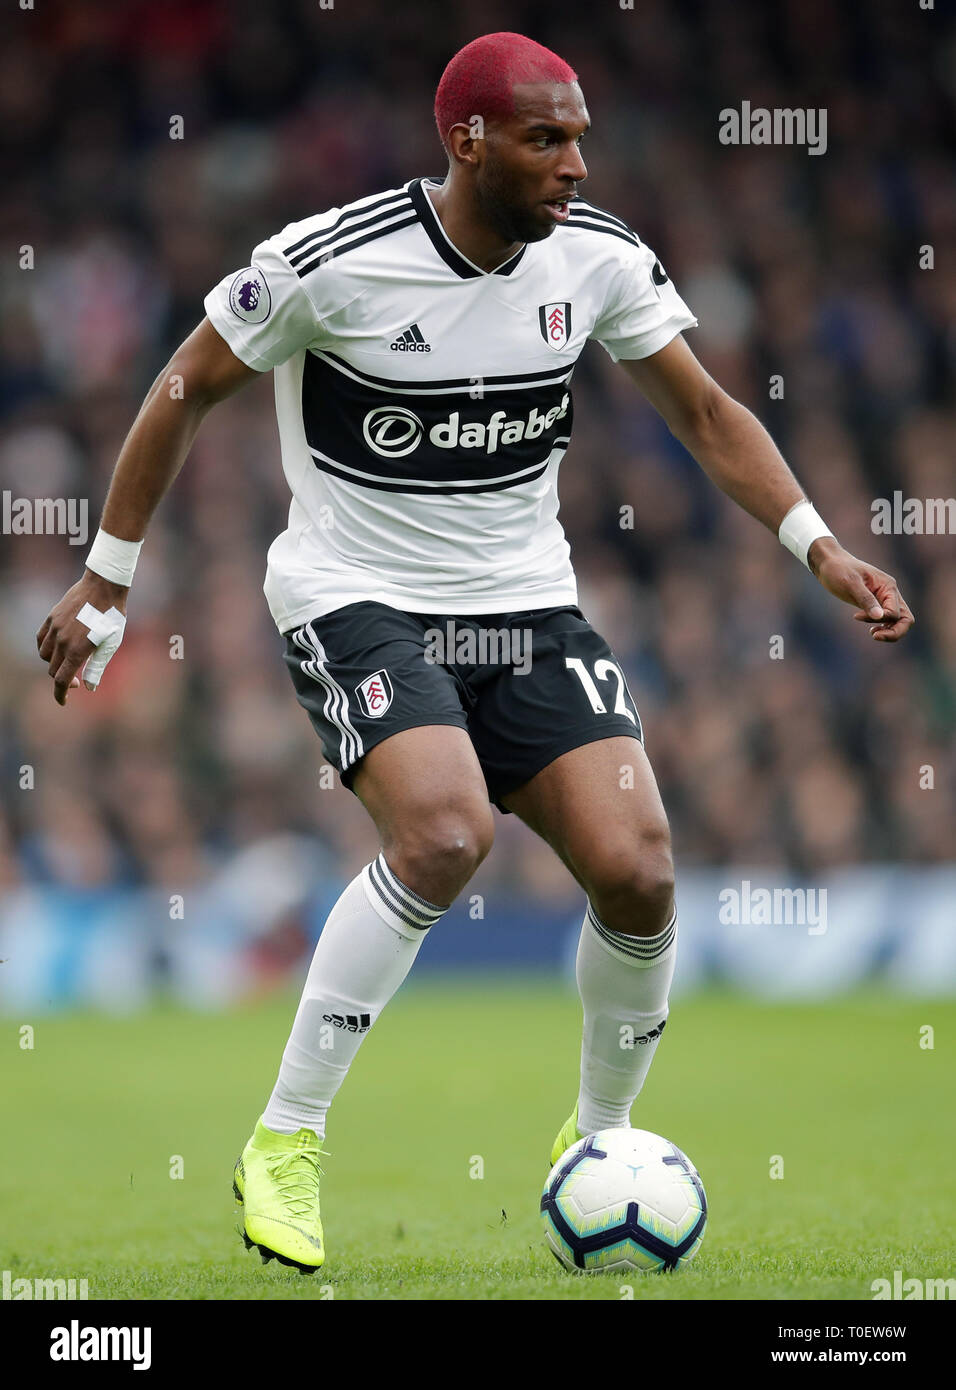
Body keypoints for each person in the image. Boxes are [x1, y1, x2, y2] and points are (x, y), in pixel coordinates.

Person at [36, 32, 914, 1272]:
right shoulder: (329, 263)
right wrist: (107, 580)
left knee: (640, 872)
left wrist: (816, 546)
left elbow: (708, 415)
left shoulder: (597, 258)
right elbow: (181, 388)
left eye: (579, 135)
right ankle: (285, 1138)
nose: (574, 161)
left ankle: (594, 1142)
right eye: (545, 138)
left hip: (527, 606)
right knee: (445, 833)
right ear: (466, 142)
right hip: (356, 595)